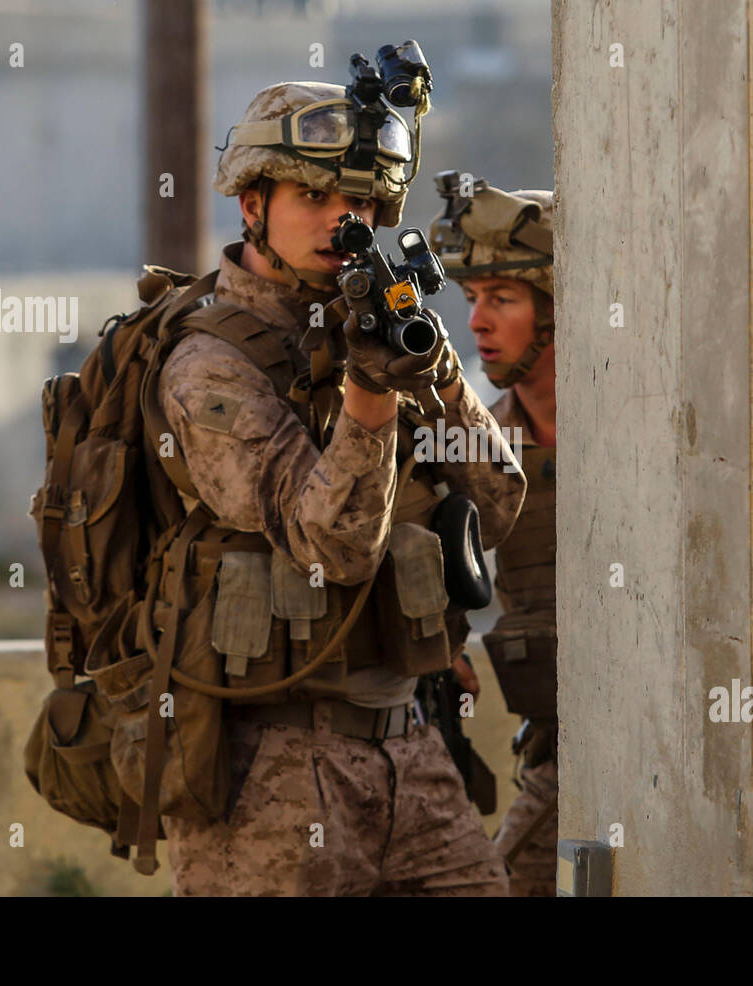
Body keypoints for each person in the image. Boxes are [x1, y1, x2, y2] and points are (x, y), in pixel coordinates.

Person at [156, 81, 525, 896]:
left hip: (411, 742)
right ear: (253, 203)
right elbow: (337, 547)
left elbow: (497, 506)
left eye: (358, 199)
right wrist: (369, 397)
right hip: (273, 769)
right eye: (312, 194)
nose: (339, 220)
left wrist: (428, 368)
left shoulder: (378, 325)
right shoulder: (212, 362)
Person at [429, 175, 559, 895]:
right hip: (553, 750)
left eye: (501, 300)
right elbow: (430, 547)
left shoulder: (638, 432)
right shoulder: (487, 442)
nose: (476, 323)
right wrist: (446, 640)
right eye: (472, 300)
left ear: (555, 311)